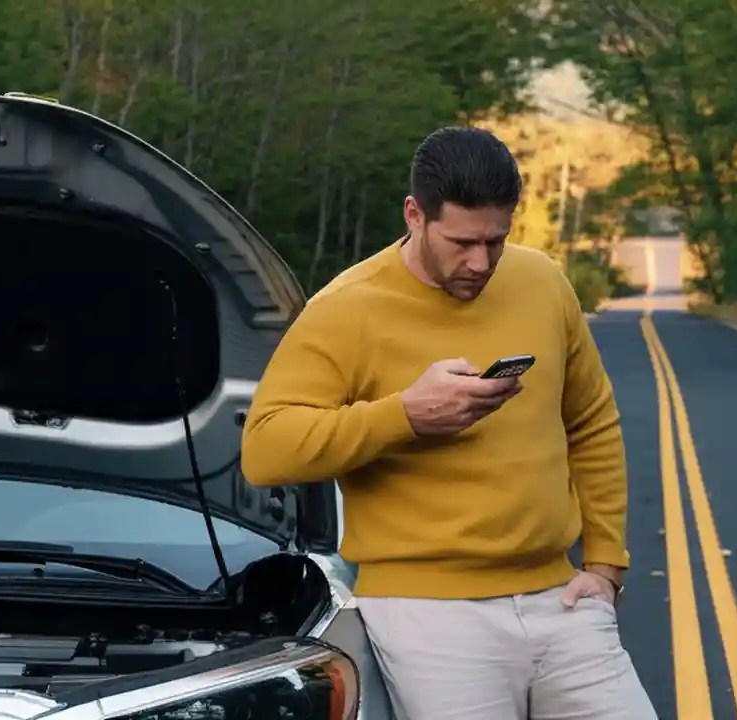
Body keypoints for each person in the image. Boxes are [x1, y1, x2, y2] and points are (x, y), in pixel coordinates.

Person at [240, 126, 657, 719]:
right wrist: (405, 415)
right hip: (429, 617)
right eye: (462, 241)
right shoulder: (344, 308)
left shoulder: (542, 282)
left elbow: (590, 421)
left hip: (562, 601)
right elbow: (266, 449)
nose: (480, 262)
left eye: (496, 240)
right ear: (415, 214)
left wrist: (606, 565)